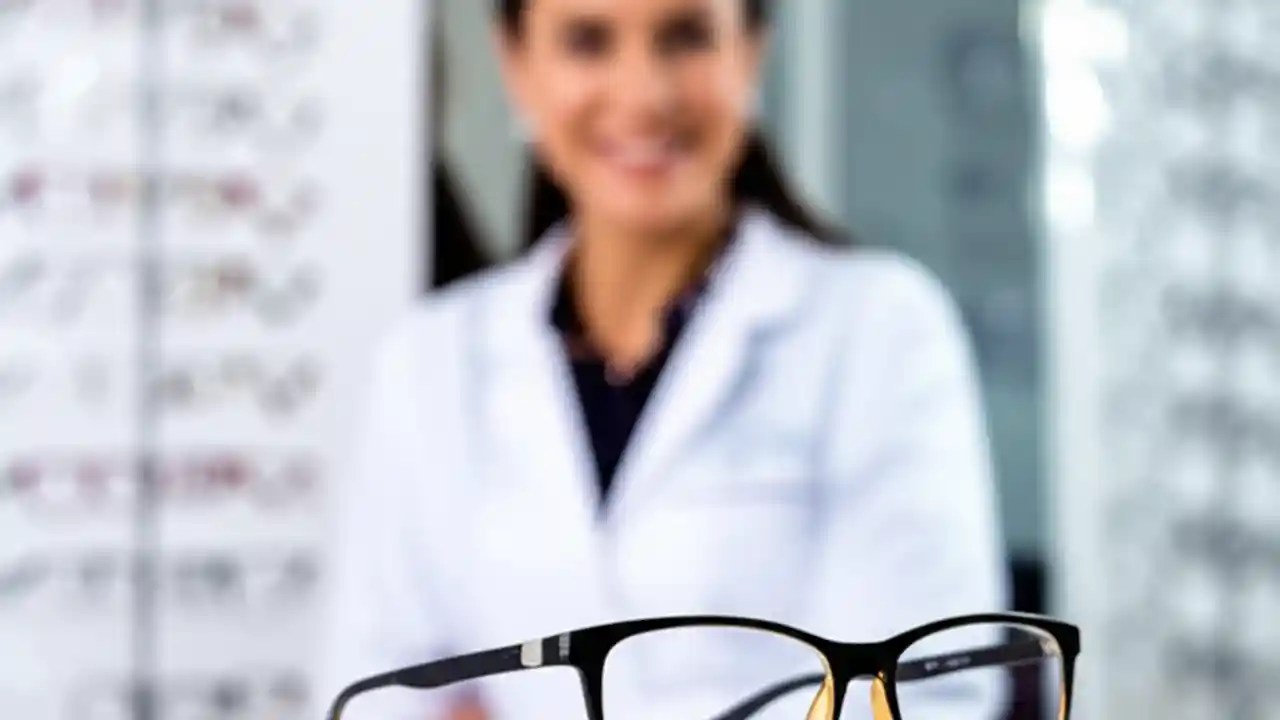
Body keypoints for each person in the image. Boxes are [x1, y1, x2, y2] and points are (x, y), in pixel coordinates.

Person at [322, 0, 1006, 717]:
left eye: (685, 37)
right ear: (517, 65)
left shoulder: (877, 329)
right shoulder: (430, 361)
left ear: (751, 51)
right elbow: (378, 695)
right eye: (588, 41)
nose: (645, 94)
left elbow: (917, 696)